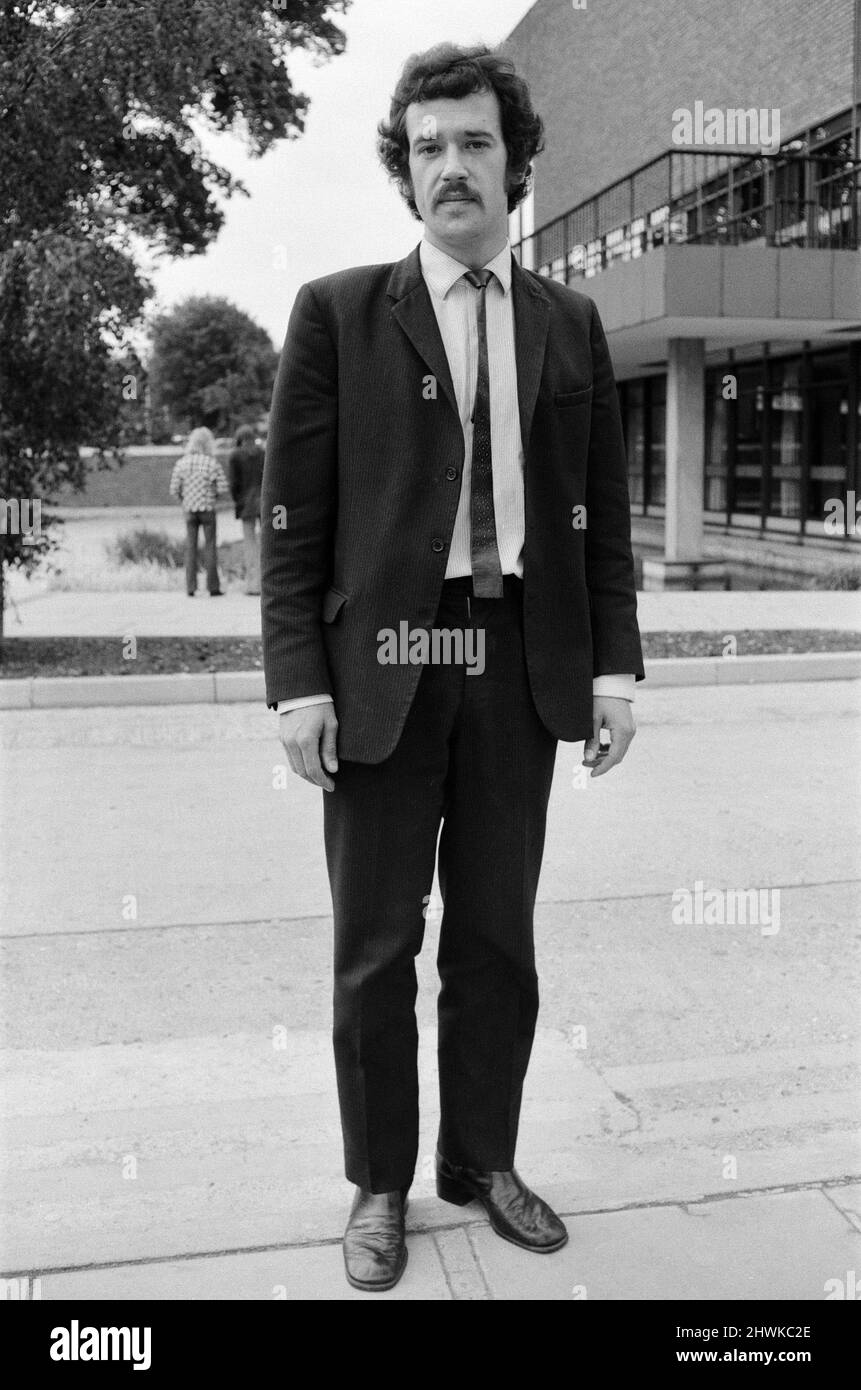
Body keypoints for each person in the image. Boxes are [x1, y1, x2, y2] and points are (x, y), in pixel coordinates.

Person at [260, 42, 645, 1293]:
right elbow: (293, 522)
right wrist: (295, 680)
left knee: (495, 938)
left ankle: (481, 1163)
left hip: (515, 654)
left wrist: (615, 670)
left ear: (516, 165)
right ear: (405, 172)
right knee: (376, 944)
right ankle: (380, 1182)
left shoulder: (569, 323)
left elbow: (600, 510)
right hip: (380, 661)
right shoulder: (336, 314)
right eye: (429, 147)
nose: (452, 166)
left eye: (475, 142)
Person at [169, 426, 229, 597]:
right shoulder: (211, 463)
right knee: (210, 547)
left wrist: (185, 499)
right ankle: (213, 587)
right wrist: (212, 495)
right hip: (208, 509)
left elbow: (174, 489)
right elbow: (222, 487)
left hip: (189, 509)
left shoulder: (182, 463)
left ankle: (190, 587)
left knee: (191, 547)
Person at [228, 425, 265, 595]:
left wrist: (238, 501)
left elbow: (233, 484)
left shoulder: (235, 455)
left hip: (245, 503)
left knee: (250, 544)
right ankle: (267, 582)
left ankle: (253, 585)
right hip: (265, 502)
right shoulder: (263, 453)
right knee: (267, 542)